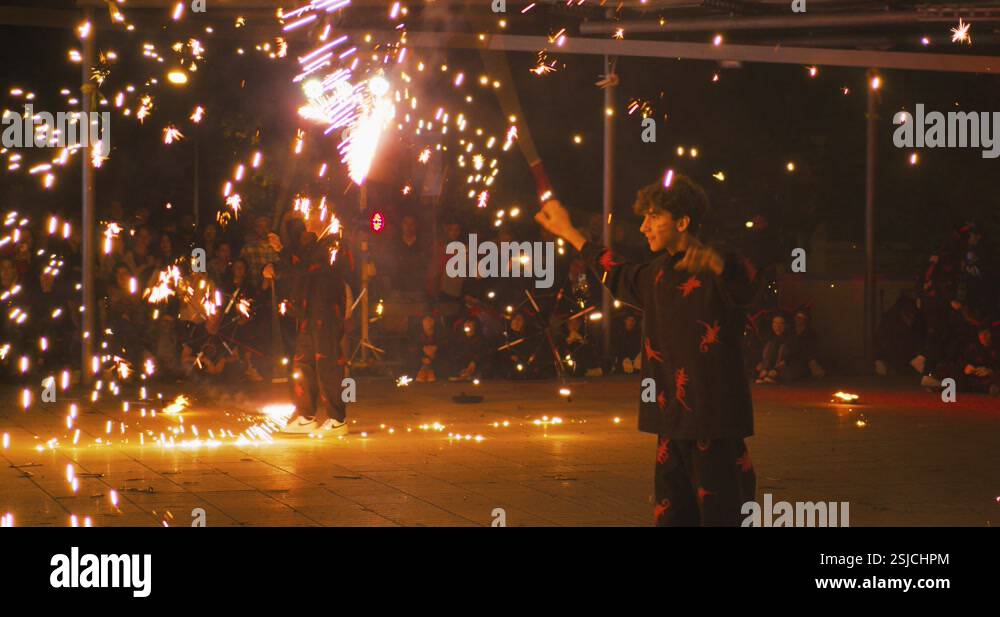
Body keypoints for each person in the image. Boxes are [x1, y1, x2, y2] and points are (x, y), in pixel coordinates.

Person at [535, 174, 758, 526]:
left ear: (682, 222)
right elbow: (615, 272)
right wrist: (569, 232)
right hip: (670, 423)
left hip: (713, 424)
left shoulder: (721, 267)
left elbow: (747, 283)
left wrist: (715, 262)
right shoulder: (655, 276)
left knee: (724, 516)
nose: (643, 227)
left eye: (654, 217)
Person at [263, 212, 350, 435]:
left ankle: (337, 419)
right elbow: (297, 268)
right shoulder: (310, 244)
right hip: (308, 312)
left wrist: (282, 253)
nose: (308, 219)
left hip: (327, 312)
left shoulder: (332, 243)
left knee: (327, 363)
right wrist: (279, 259)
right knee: (303, 363)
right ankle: (306, 416)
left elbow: (306, 268)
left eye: (313, 216)